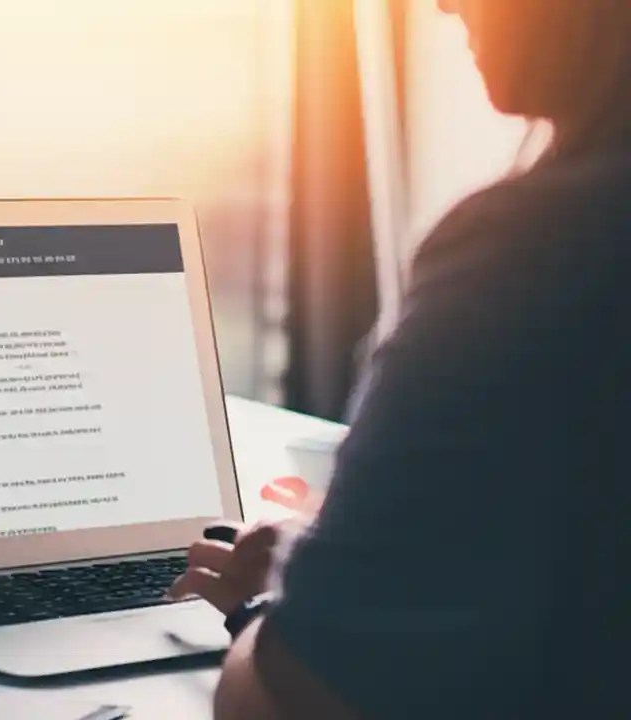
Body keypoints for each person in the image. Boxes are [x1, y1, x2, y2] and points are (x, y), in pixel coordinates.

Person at [167, 1, 630, 717]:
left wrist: (272, 606)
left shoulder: (536, 251)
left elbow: (282, 706)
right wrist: (365, 562)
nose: (445, 5)